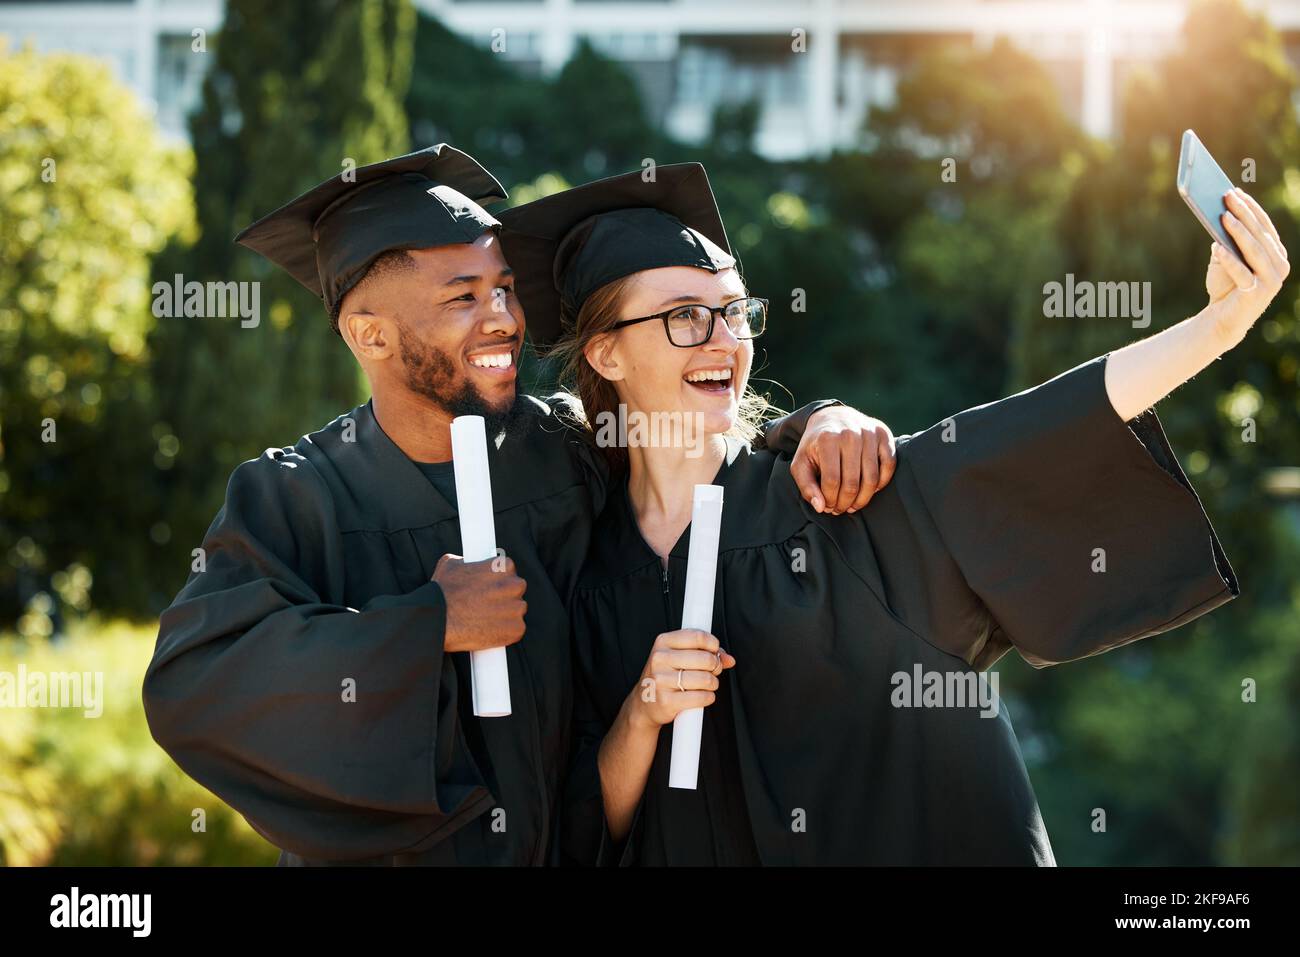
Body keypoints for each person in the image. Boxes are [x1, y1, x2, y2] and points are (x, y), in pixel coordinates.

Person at [497, 163, 1288, 865]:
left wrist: (1216, 328)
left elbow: (1034, 427)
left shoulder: (839, 500)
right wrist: (642, 713)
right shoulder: (585, 571)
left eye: (735, 311)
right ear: (604, 353)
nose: (724, 340)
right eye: (684, 316)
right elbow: (584, 827)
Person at [141, 146, 899, 865]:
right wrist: (428, 623)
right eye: (464, 297)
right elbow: (195, 684)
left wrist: (818, 422)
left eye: (504, 288)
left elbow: (689, 429)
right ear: (369, 333)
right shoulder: (297, 495)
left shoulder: (562, 449)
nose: (504, 316)